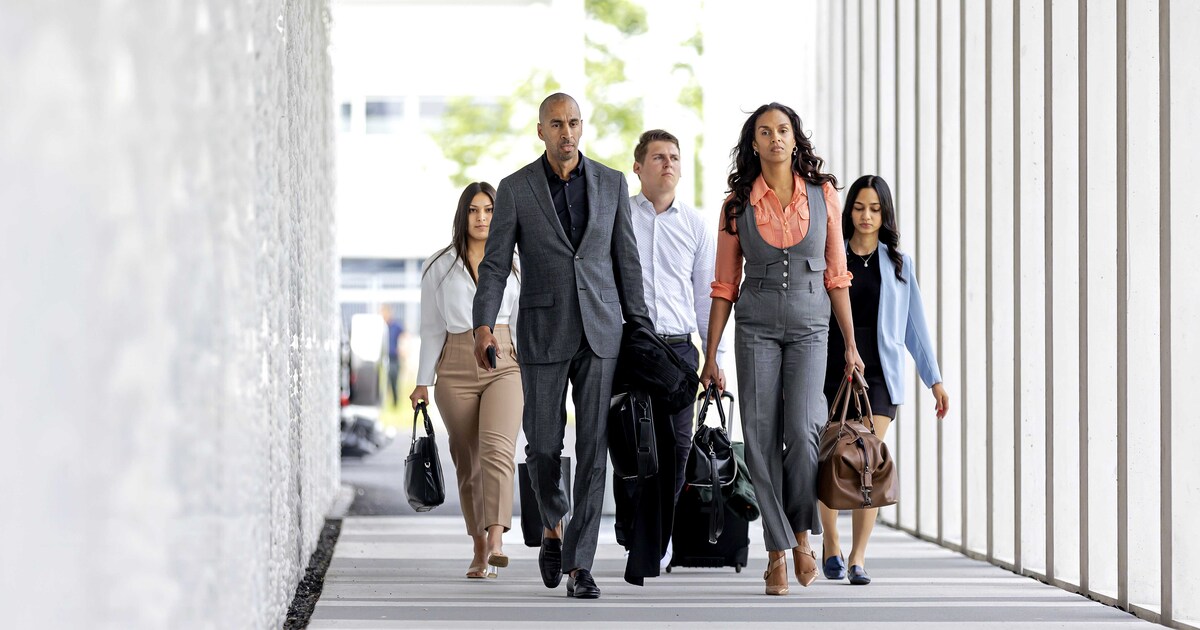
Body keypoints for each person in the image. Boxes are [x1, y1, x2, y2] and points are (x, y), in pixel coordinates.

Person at [472, 93, 652, 600]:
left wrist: (638, 327)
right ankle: (553, 523)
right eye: (557, 124)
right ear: (541, 131)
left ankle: (580, 565)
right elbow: (494, 265)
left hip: (601, 333)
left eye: (573, 123)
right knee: (545, 447)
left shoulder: (612, 183)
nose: (567, 132)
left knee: (595, 451)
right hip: (542, 333)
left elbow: (627, 262)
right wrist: (484, 323)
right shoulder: (515, 189)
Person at [699, 102, 863, 596]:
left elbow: (837, 276)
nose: (775, 138)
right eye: (765, 131)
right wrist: (711, 356)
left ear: (795, 139)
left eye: (783, 130)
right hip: (755, 328)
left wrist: (851, 345)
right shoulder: (736, 204)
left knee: (804, 431)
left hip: (813, 327)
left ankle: (801, 535)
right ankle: (776, 551)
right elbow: (725, 285)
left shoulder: (824, 195)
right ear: (754, 142)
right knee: (762, 437)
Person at [818, 174, 950, 585]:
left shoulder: (898, 264)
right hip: (828, 371)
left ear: (885, 213)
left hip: (878, 377)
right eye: (858, 207)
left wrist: (935, 380)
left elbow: (916, 327)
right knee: (825, 460)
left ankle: (858, 557)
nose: (866, 216)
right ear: (848, 211)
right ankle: (831, 543)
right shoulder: (830, 257)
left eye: (875, 209)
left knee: (866, 466)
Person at [624, 128, 728, 569]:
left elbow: (707, 298)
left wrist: (713, 359)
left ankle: (659, 539)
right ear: (638, 167)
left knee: (679, 448)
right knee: (631, 443)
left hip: (680, 353)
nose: (668, 164)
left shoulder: (696, 226)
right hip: (630, 348)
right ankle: (632, 527)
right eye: (658, 157)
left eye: (674, 157)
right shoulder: (619, 217)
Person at [409, 182, 523, 580]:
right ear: (463, 215)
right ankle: (477, 548)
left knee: (497, 449)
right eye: (474, 210)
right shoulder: (439, 266)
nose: (481, 218)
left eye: (489, 210)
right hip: (455, 364)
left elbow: (524, 318)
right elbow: (429, 329)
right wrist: (423, 381)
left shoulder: (514, 262)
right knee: (467, 461)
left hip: (504, 361)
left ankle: (496, 539)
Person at [382, 305, 405, 407]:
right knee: (384, 381)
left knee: (394, 380)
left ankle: (395, 403)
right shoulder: (381, 326)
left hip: (394, 358)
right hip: (384, 358)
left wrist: (403, 349)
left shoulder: (396, 326)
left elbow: (405, 336)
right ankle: (383, 402)